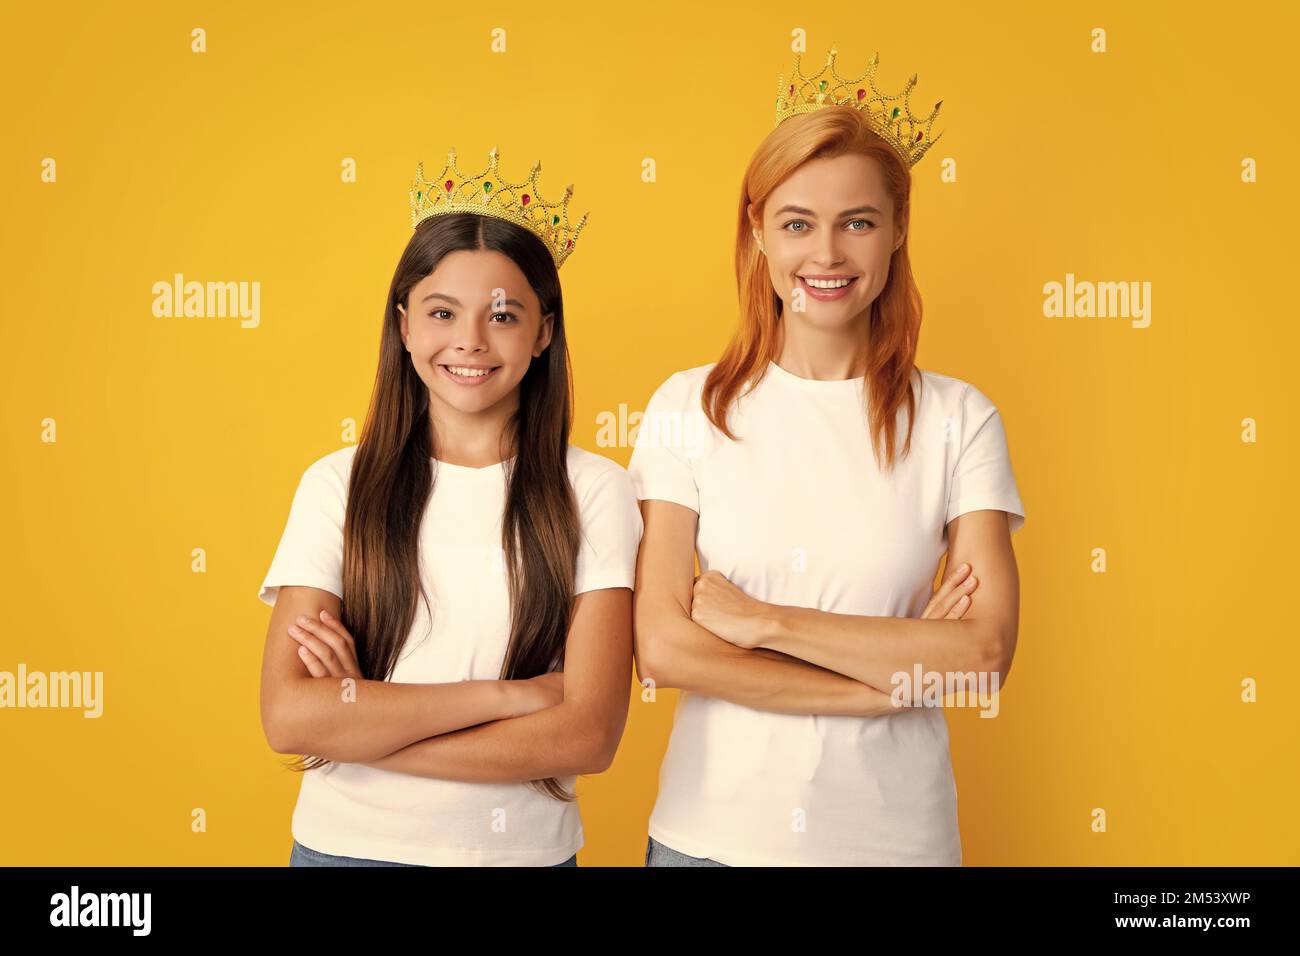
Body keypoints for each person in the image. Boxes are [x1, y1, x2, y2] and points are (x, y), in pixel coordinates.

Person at [629, 49, 1026, 866]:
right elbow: (664, 648)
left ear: (898, 229)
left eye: (858, 222)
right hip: (710, 842)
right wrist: (885, 682)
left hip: (896, 845)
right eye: (798, 223)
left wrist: (765, 625)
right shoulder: (688, 407)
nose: (828, 256)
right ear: (759, 232)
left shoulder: (959, 419)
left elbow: (982, 656)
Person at [256, 147, 642, 866]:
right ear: (404, 328)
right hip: (343, 852)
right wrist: (508, 698)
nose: (469, 340)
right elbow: (289, 717)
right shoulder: (336, 485)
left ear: (544, 332)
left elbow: (587, 736)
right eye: (442, 311)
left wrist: (365, 718)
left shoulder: (594, 491)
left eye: (503, 315)